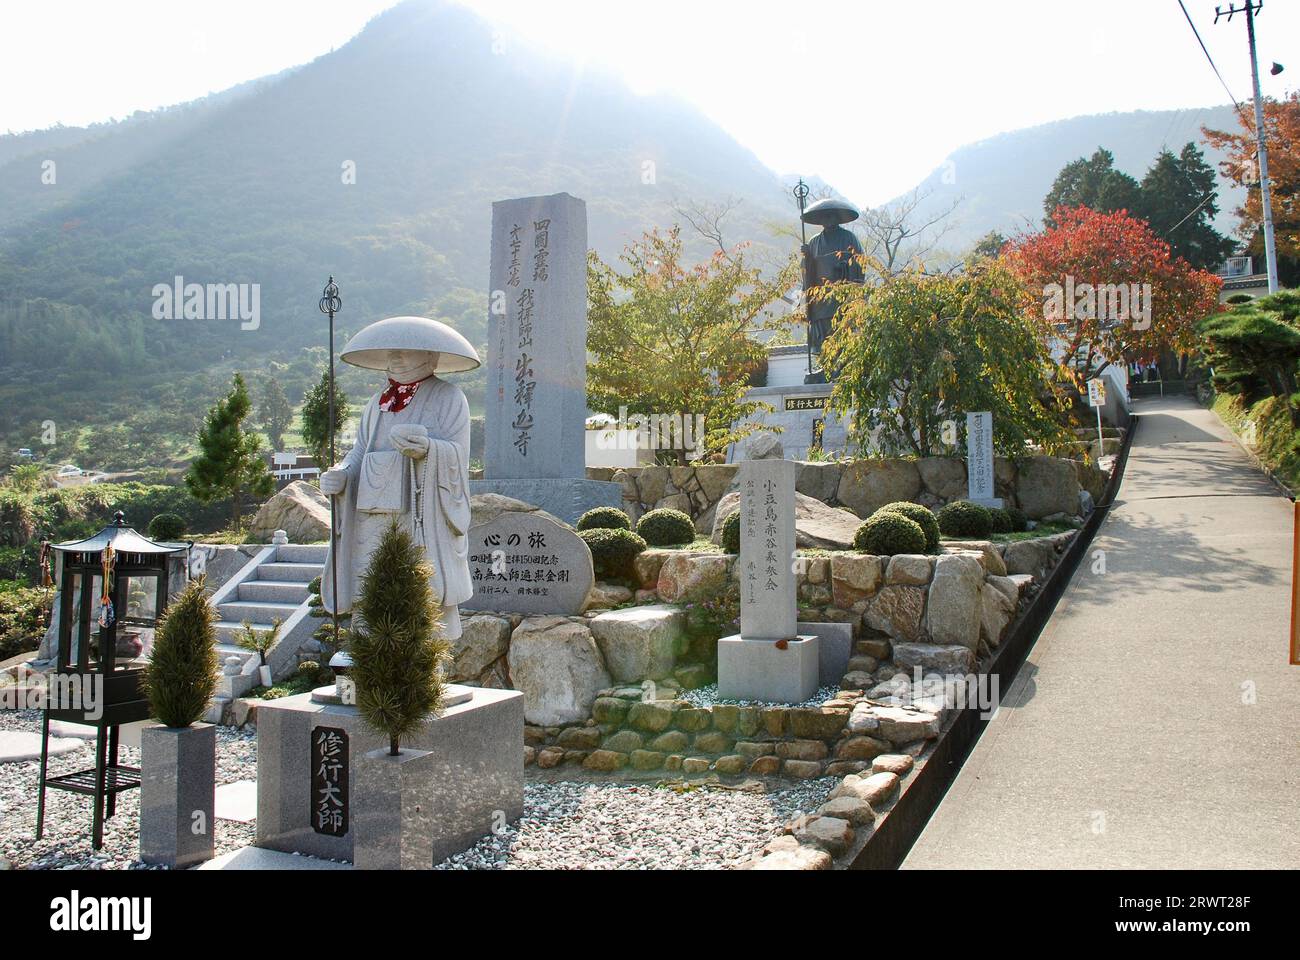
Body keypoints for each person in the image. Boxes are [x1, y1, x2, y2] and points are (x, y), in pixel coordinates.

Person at [319, 316, 481, 641]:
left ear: (430, 356)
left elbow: (457, 454)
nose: (395, 358)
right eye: (391, 352)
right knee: (370, 582)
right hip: (370, 514)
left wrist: (429, 449)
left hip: (419, 515)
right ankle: (370, 654)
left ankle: (426, 660)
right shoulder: (376, 403)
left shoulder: (449, 397)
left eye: (405, 351)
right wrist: (342, 475)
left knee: (419, 586)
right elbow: (359, 451)